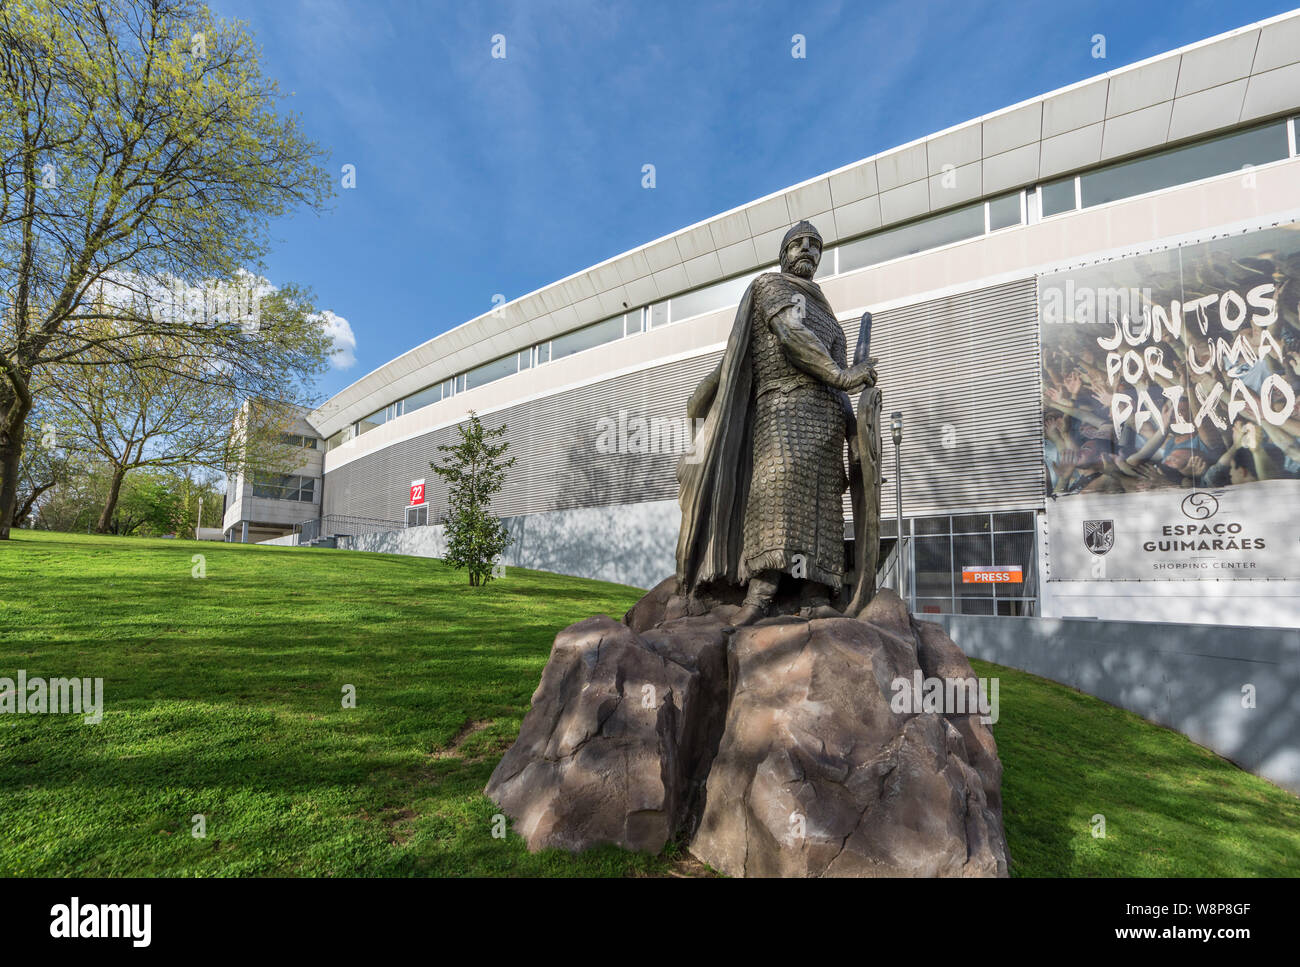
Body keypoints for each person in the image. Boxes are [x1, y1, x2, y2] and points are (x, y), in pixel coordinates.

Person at [675, 220, 875, 625]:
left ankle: (815, 592)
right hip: (782, 405)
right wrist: (841, 376)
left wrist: (853, 399)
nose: (807, 250)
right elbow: (790, 334)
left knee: (823, 504)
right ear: (784, 253)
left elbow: (835, 364)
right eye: (798, 244)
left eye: (815, 245)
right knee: (775, 488)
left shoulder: (826, 309)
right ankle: (761, 592)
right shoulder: (772, 286)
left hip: (826, 416)